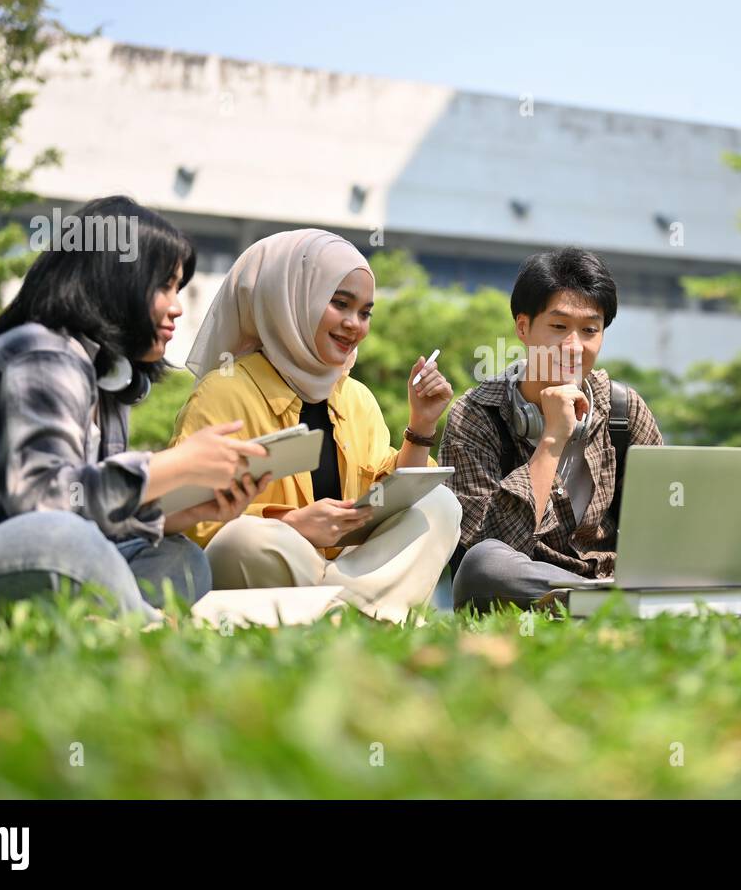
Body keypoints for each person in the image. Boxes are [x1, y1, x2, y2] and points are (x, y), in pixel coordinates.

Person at [0, 196, 271, 615]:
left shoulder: (109, 378)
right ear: (113, 279)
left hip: (5, 564)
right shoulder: (40, 352)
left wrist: (174, 513)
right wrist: (173, 467)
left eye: (179, 289)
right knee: (66, 541)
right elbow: (44, 504)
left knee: (179, 558)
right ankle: (146, 636)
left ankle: (107, 631)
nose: (177, 307)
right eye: (164, 286)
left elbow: (80, 509)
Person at [171, 228, 461, 624]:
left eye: (364, 312)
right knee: (247, 539)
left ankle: (331, 613)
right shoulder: (224, 392)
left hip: (350, 567)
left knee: (440, 505)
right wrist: (292, 524)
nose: (354, 324)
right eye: (340, 304)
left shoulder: (356, 398)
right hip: (277, 565)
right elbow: (188, 517)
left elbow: (393, 500)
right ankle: (364, 614)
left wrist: (422, 425)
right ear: (290, 300)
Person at [440, 247, 663, 612]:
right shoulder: (475, 415)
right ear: (523, 328)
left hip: (610, 577)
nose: (574, 346)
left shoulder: (623, 409)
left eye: (590, 330)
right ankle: (607, 606)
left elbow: (661, 523)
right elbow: (489, 543)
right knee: (484, 565)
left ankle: (598, 603)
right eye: (559, 327)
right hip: (520, 581)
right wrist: (552, 439)